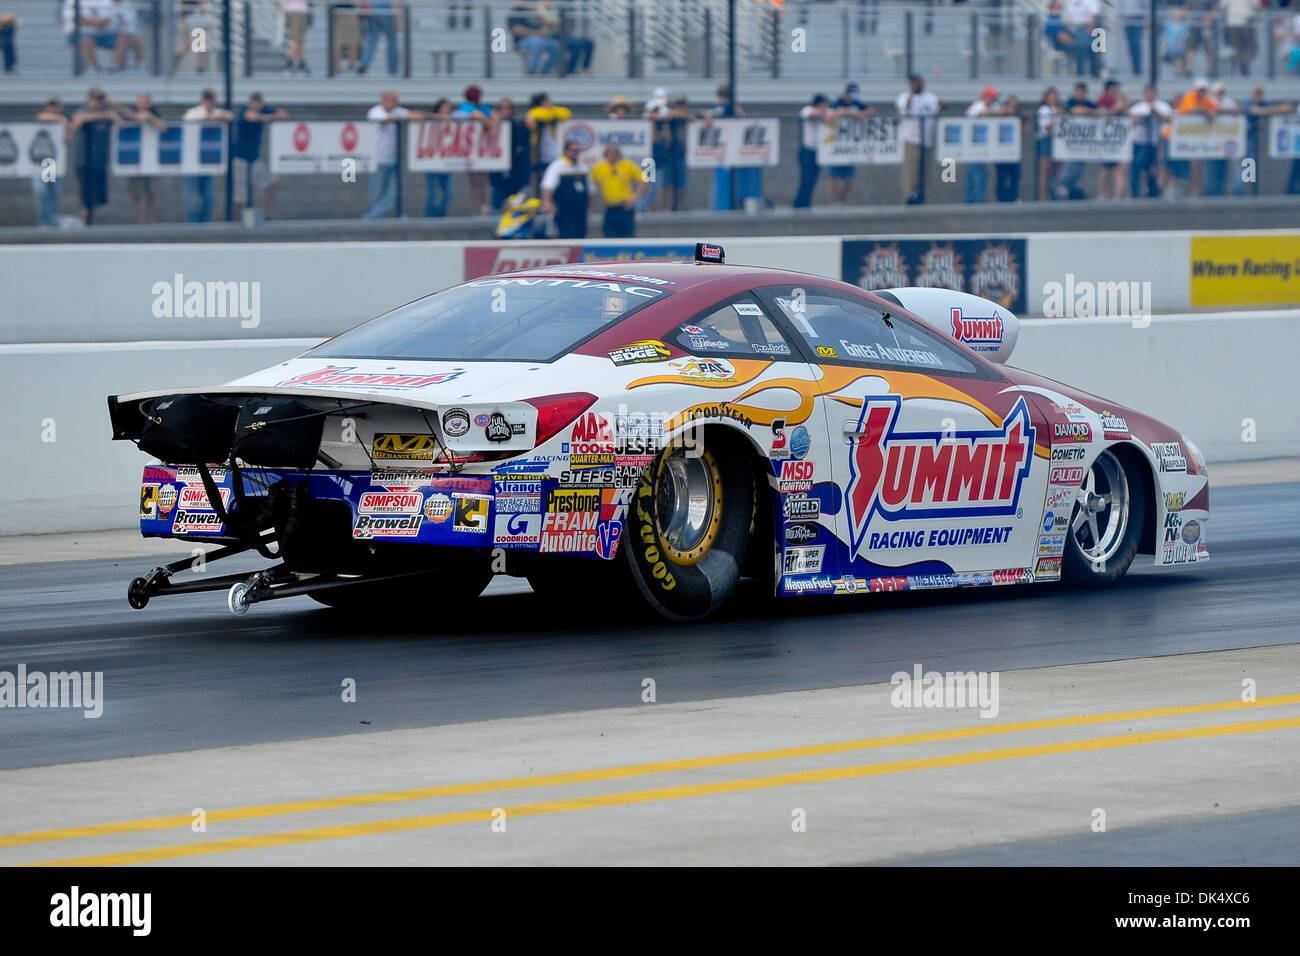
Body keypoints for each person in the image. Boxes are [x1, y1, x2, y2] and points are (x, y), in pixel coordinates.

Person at [363, 90, 424, 219]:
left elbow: (415, 116)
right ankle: (373, 220)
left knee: (393, 195)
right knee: (376, 195)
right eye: (394, 100)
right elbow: (385, 119)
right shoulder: (375, 111)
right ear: (385, 100)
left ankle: (371, 218)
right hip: (377, 160)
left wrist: (435, 115)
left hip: (393, 160)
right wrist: (401, 117)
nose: (397, 103)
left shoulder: (398, 111)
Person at [181, 88, 232, 223]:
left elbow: (229, 116)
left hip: (207, 161)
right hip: (191, 163)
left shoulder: (217, 112)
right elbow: (188, 120)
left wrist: (214, 117)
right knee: (192, 200)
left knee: (209, 197)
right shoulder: (193, 112)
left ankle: (204, 224)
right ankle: (193, 228)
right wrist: (208, 118)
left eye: (211, 99)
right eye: (206, 99)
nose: (208, 102)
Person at [233, 91, 287, 219]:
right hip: (240, 160)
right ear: (249, 103)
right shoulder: (244, 111)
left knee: (274, 183)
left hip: (254, 160)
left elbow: (283, 115)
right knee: (240, 197)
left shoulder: (264, 110)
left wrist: (267, 115)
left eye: (258, 102)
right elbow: (251, 116)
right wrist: (268, 117)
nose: (256, 104)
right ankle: (236, 223)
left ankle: (262, 214)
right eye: (253, 102)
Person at [70, 87, 116, 225]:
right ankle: (85, 223)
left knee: (96, 198)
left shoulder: (108, 113)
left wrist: (115, 105)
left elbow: (130, 116)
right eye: (95, 99)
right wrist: (108, 114)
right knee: (86, 198)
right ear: (89, 100)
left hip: (99, 162)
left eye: (100, 99)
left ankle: (90, 223)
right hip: (84, 161)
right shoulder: (82, 111)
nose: (98, 102)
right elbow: (77, 121)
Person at [1236, 85, 1291, 196]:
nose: (1258, 96)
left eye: (1260, 93)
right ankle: (1240, 193)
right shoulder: (1247, 102)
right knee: (1243, 168)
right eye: (1256, 93)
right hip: (1242, 141)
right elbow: (1259, 111)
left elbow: (1280, 109)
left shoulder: (1263, 103)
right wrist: (1277, 108)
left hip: (1254, 141)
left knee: (1251, 167)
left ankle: (1252, 193)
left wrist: (1280, 107)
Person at [896, 74, 940, 204]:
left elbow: (939, 107)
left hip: (927, 139)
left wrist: (942, 105)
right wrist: (912, 94)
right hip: (911, 139)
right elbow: (905, 108)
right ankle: (908, 197)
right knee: (911, 172)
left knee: (925, 172)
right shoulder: (904, 97)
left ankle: (922, 196)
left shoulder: (930, 97)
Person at [124, 93, 167, 223]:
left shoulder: (154, 113)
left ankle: (151, 222)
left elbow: (163, 127)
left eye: (146, 101)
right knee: (138, 194)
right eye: (141, 101)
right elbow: (124, 118)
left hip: (152, 160)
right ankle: (140, 222)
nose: (143, 104)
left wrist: (149, 117)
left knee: (153, 194)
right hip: (135, 159)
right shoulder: (131, 112)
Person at [644, 90, 690, 212]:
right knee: (648, 185)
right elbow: (648, 116)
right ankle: (646, 207)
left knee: (658, 186)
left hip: (659, 158)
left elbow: (667, 137)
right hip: (647, 159)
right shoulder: (648, 121)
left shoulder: (665, 121)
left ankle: (655, 207)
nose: (656, 112)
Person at [828, 82, 872, 205]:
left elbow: (870, 109)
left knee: (849, 178)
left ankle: (842, 201)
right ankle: (833, 202)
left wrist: (863, 113)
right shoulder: (838, 102)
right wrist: (855, 114)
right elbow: (837, 112)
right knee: (833, 176)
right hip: (836, 145)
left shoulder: (856, 103)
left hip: (850, 146)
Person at [1051, 82, 1096, 200]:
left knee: (1077, 172)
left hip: (1082, 145)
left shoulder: (1088, 103)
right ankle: (1057, 193)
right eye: (1078, 91)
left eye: (1082, 91)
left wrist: (1085, 111)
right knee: (1067, 171)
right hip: (1068, 144)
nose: (1080, 94)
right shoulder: (1069, 102)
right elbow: (1067, 111)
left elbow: (1099, 111)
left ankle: (1067, 194)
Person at [590, 143, 646, 237]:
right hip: (609, 208)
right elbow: (590, 185)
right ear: (605, 154)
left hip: (625, 207)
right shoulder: (599, 168)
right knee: (609, 236)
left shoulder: (627, 165)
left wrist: (635, 197)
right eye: (609, 152)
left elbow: (645, 179)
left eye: (615, 152)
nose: (612, 155)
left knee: (627, 236)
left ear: (619, 154)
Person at [540, 135, 589, 239]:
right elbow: (547, 186)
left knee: (581, 237)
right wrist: (547, 202)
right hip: (564, 212)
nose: (575, 153)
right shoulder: (557, 167)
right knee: (567, 237)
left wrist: (589, 207)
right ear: (566, 151)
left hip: (580, 212)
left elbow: (589, 190)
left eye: (577, 150)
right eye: (573, 150)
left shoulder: (583, 168)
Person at [1175, 78, 1218, 196]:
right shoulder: (1190, 97)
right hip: (1183, 138)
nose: (1201, 92)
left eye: (1203, 90)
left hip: (1196, 138)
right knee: (1183, 167)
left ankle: (1195, 192)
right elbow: (1191, 109)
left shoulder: (1207, 99)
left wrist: (1210, 112)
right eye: (1199, 90)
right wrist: (1206, 112)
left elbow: (1215, 109)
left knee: (1196, 166)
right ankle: (1185, 192)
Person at [456, 85, 492, 215]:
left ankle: (485, 207)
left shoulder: (481, 107)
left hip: (482, 151)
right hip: (469, 150)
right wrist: (490, 124)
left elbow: (494, 114)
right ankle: (475, 209)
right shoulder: (465, 106)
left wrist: (492, 123)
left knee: (483, 180)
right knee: (474, 182)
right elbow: (479, 116)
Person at [1129, 85, 1171, 198]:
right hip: (1140, 142)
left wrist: (1156, 113)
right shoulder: (1137, 107)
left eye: (1151, 93)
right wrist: (1139, 119)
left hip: (1155, 142)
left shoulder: (1162, 106)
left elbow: (1169, 119)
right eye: (1147, 93)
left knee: (1153, 170)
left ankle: (1152, 193)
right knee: (1136, 168)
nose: (1149, 95)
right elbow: (1128, 121)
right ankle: (1135, 193)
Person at [489, 97, 531, 211]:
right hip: (499, 171)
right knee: (498, 200)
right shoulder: (493, 124)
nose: (506, 111)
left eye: (508, 108)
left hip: (516, 169)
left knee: (518, 201)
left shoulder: (518, 125)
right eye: (503, 108)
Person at [32, 96, 68, 227]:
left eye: (55, 105)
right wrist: (61, 119)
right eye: (50, 105)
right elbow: (40, 117)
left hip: (53, 165)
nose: (53, 108)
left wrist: (64, 124)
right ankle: (44, 222)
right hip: (39, 163)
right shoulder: (45, 119)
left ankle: (52, 223)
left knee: (53, 194)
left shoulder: (64, 123)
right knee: (40, 191)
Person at [525, 91, 570, 193]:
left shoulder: (551, 111)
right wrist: (551, 113)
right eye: (546, 101)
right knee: (537, 176)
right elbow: (541, 115)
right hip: (538, 151)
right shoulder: (533, 113)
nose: (550, 103)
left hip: (553, 150)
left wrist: (551, 112)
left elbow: (566, 114)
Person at [963, 85, 999, 204]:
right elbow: (981, 114)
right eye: (991, 96)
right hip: (972, 147)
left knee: (980, 175)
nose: (993, 99)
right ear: (984, 96)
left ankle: (974, 201)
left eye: (994, 97)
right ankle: (975, 202)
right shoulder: (977, 106)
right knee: (976, 175)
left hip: (984, 147)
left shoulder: (994, 106)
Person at [63, 0, 122, 73]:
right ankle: (95, 69)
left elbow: (107, 19)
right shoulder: (72, 1)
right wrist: (97, 22)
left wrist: (92, 22)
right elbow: (77, 18)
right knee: (86, 40)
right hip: (79, 34)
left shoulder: (103, 2)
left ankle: (115, 69)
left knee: (123, 39)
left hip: (100, 33)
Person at [794, 93, 830, 208]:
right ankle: (800, 204)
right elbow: (813, 114)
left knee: (813, 180)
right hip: (807, 150)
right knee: (806, 180)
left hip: (818, 151)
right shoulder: (807, 109)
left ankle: (806, 204)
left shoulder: (825, 112)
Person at [1096, 79, 1129, 200]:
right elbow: (1101, 112)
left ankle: (1119, 195)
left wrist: (1122, 105)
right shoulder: (1104, 99)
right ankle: (1102, 194)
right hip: (1108, 139)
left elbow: (1127, 113)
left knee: (1120, 168)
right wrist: (1116, 108)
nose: (1117, 90)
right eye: (1115, 88)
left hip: (1120, 139)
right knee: (1106, 168)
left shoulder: (1121, 99)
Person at [1203, 80, 1236, 197]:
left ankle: (1220, 192)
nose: (1220, 94)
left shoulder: (1228, 101)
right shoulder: (1208, 101)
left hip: (1225, 141)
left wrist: (1219, 111)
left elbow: (1236, 110)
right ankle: (1210, 193)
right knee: (1211, 169)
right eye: (1218, 92)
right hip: (1211, 142)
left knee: (1222, 169)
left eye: (1221, 91)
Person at [508, 2, 560, 74]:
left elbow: (545, 24)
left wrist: (539, 15)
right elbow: (517, 29)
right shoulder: (516, 12)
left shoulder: (534, 12)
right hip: (523, 41)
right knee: (537, 43)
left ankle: (546, 71)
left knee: (557, 46)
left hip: (541, 38)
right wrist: (537, 33)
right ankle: (531, 71)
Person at [424, 97, 453, 217]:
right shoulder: (430, 122)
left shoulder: (454, 122)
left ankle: (441, 215)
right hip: (432, 162)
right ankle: (430, 216)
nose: (445, 112)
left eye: (448, 110)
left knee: (449, 192)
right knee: (433, 193)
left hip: (446, 163)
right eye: (443, 109)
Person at [994, 95, 1023, 203]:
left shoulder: (1019, 117)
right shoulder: (999, 115)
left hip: (1014, 153)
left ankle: (1013, 198)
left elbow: (1024, 132)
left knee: (1015, 177)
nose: (1012, 108)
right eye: (1010, 105)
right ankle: (1001, 199)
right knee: (1002, 177)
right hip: (1000, 152)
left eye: (1014, 106)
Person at [359, 0, 400, 76]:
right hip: (388, 12)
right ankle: (393, 70)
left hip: (374, 10)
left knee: (372, 42)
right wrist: (396, 20)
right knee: (392, 41)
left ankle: (364, 63)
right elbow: (396, 2)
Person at [1063, 0, 1101, 77]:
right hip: (1076, 29)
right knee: (1081, 49)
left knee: (1088, 50)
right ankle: (1083, 73)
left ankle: (1090, 72)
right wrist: (1069, 30)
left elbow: (1094, 13)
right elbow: (1069, 15)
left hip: (1088, 27)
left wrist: (1090, 27)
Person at [1036, 86, 1061, 201]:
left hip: (1057, 141)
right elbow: (1046, 128)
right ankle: (1042, 198)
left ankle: (1054, 195)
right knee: (1044, 171)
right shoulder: (1043, 110)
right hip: (1046, 140)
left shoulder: (1057, 110)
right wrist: (1057, 118)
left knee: (1055, 171)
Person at [1224, 0, 1260, 77]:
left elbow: (1223, 6)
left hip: (1236, 22)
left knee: (1239, 46)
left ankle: (1242, 63)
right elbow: (1256, 5)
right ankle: (1243, 63)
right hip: (1244, 22)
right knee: (1246, 46)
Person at [173, 0, 207, 73]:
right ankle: (200, 68)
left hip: (184, 20)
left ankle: (175, 59)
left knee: (188, 44)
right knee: (199, 44)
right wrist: (204, 17)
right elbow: (202, 5)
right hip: (192, 20)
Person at [280, 0, 310, 74]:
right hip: (297, 10)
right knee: (297, 39)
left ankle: (302, 63)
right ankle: (289, 64)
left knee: (299, 39)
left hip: (293, 9)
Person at [1116, 0, 1145, 76]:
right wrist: (1116, 20)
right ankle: (1135, 68)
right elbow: (1119, 5)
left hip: (1138, 17)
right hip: (1127, 18)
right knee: (1131, 45)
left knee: (1136, 44)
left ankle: (1137, 68)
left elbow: (1147, 5)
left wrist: (1148, 19)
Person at [332, 1, 361, 73]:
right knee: (338, 40)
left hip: (346, 11)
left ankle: (347, 65)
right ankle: (341, 66)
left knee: (353, 40)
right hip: (340, 12)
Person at [1162, 8, 1192, 77]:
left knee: (1179, 59)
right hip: (1171, 45)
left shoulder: (1184, 25)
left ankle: (1179, 72)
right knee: (1174, 59)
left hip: (1180, 46)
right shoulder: (1169, 25)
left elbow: (1185, 36)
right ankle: (1175, 72)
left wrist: (1180, 44)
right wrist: (1166, 43)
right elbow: (1165, 35)